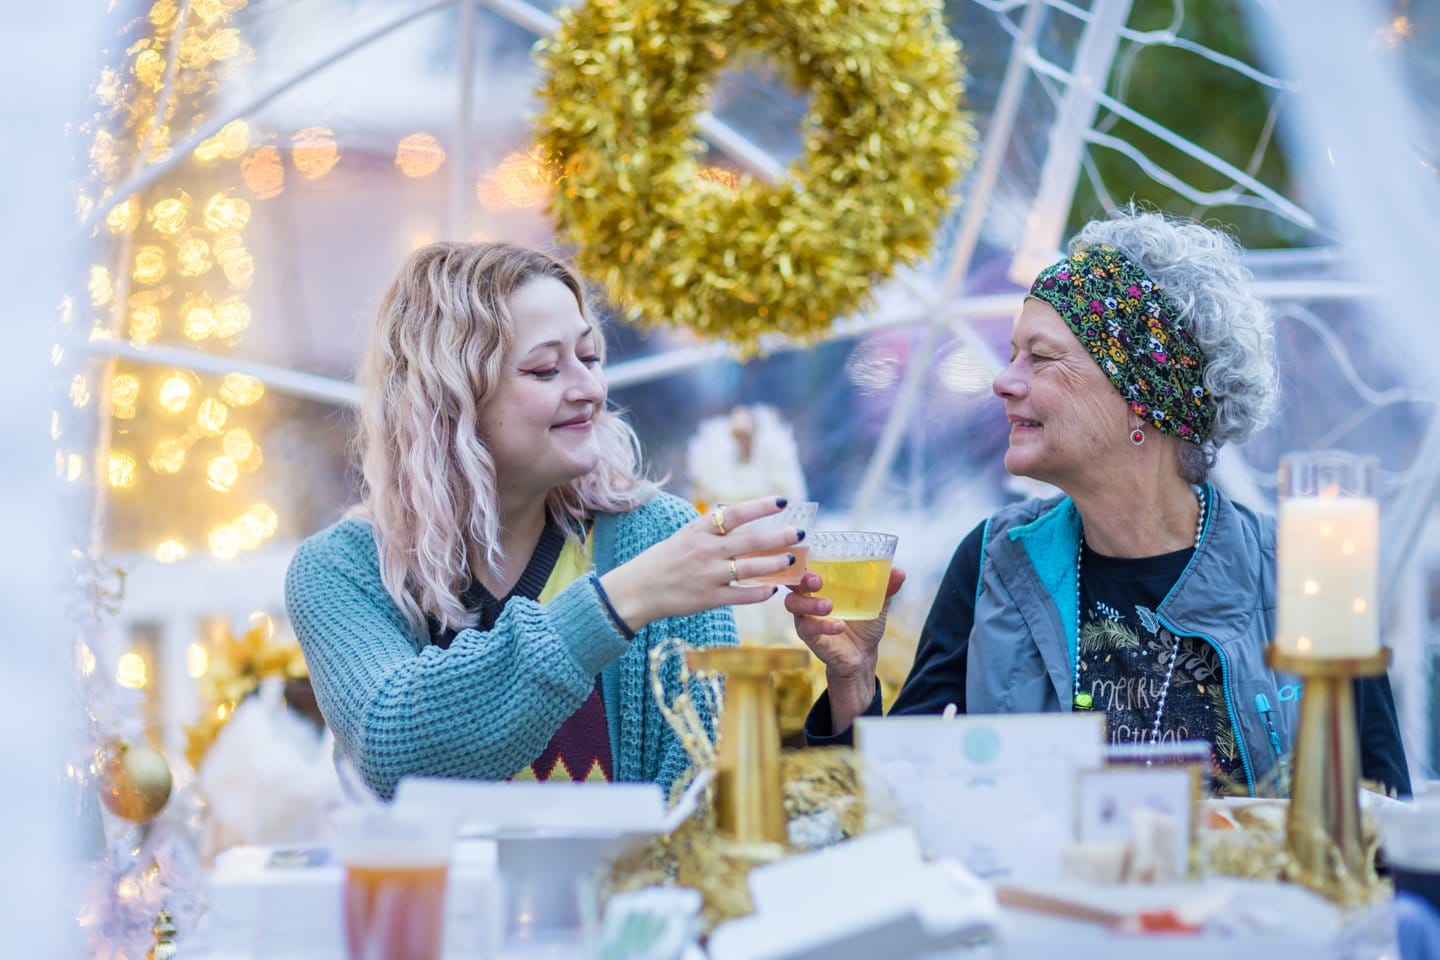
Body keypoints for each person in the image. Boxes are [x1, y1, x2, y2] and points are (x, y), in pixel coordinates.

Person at [790, 208, 1410, 798]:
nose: (1004, 380)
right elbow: (891, 809)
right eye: (1012, 355)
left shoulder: (1305, 569)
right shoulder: (994, 561)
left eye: (1042, 357)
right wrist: (854, 679)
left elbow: (1383, 820)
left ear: (1143, 396)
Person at [285, 242, 806, 800]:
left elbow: (696, 805)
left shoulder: (657, 539)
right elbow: (394, 752)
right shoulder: (341, 571)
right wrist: (619, 602)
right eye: (545, 368)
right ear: (452, 398)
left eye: (590, 358)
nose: (590, 390)